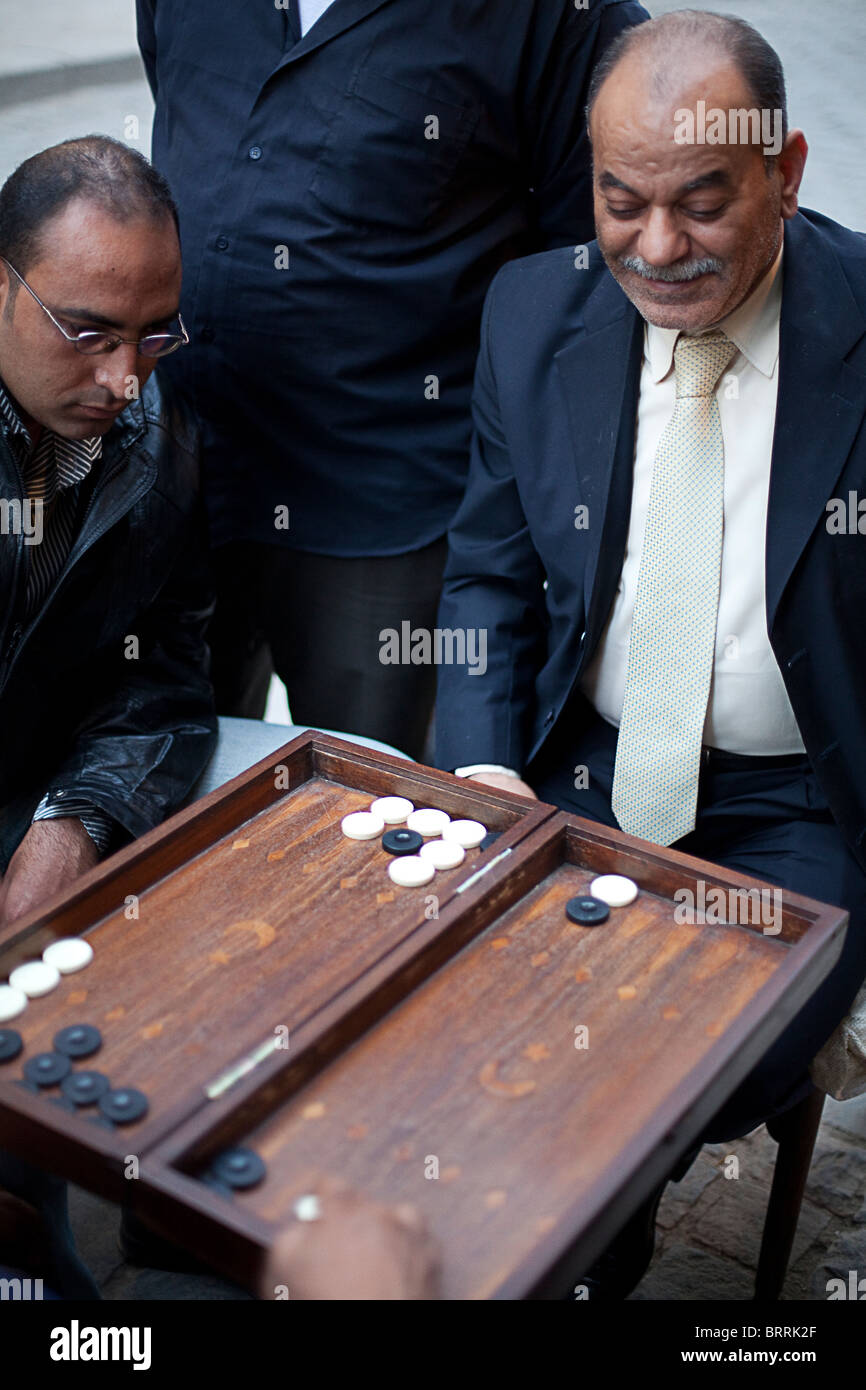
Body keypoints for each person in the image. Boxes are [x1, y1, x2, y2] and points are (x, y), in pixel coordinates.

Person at [435, 10, 866, 1293]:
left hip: (803, 806)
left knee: (647, 1058)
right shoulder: (531, 311)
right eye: (620, 200)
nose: (655, 246)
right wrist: (479, 765)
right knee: (456, 1019)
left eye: (700, 202)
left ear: (784, 173)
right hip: (579, 770)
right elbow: (486, 576)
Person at [136, 0, 648, 761]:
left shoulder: (560, 18)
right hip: (171, 475)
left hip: (388, 517)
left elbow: (587, 276)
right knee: (161, 787)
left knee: (375, 809)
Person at [0, 134, 217, 1294]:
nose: (126, 376)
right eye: (88, 331)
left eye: (157, 332)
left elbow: (163, 678)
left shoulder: (157, 436)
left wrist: (73, 821)